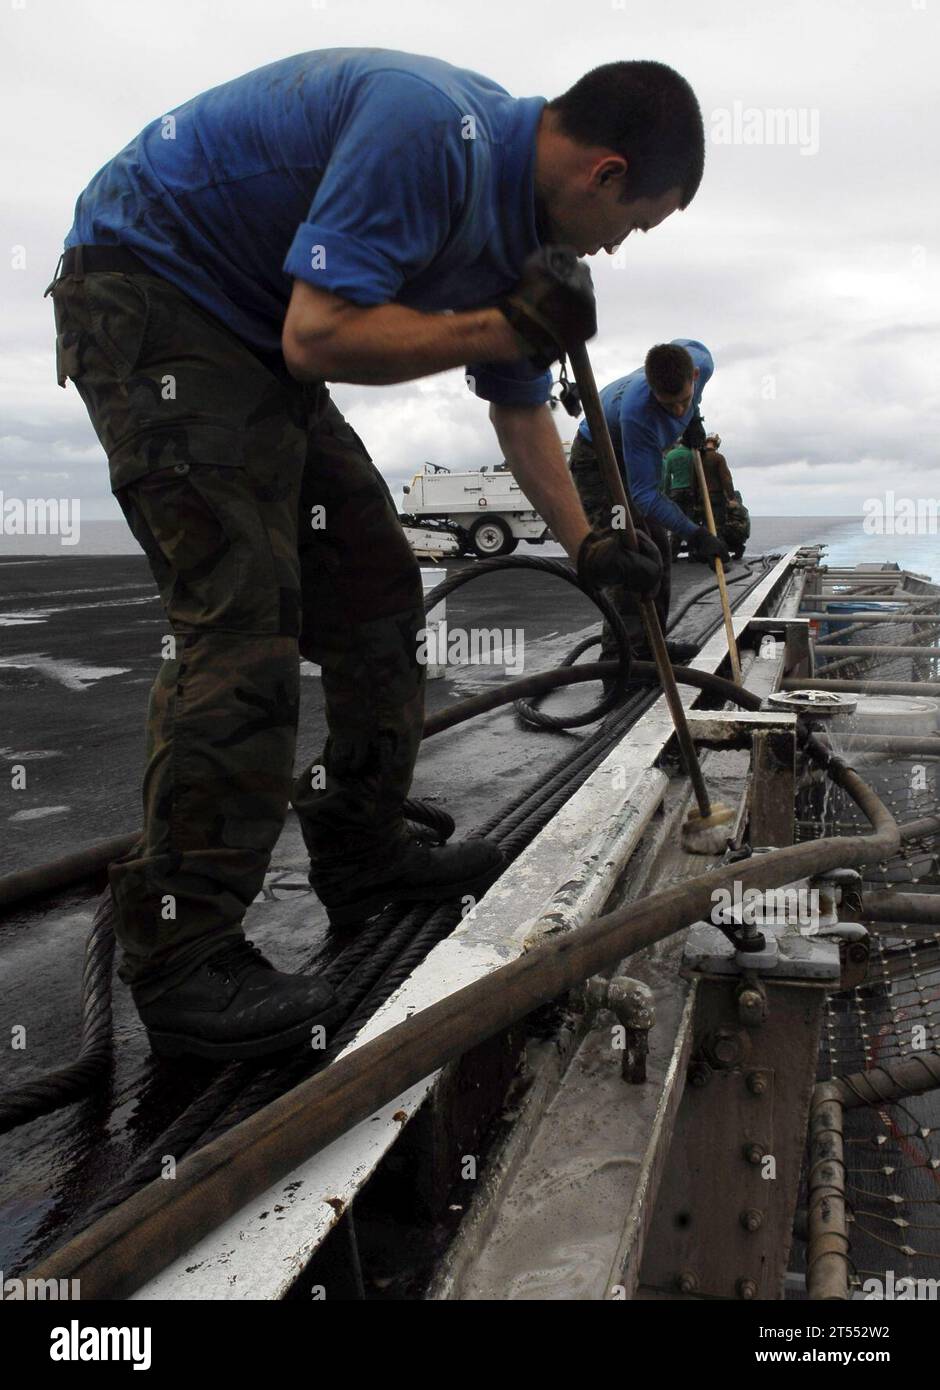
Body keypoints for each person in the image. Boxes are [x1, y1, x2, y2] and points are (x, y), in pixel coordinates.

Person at [48, 49, 704, 1060]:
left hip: (254, 339)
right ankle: (182, 956)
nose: (619, 248)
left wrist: (591, 550)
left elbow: (523, 407)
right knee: (246, 618)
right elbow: (321, 336)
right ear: (605, 174)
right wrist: (500, 321)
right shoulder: (427, 130)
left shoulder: (529, 246)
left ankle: (359, 846)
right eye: (635, 225)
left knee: (376, 589)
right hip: (153, 291)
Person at [569, 340, 729, 672]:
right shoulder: (638, 413)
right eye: (669, 405)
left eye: (685, 400)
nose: (678, 412)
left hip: (632, 459)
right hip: (598, 462)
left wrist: (695, 418)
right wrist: (695, 534)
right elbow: (644, 495)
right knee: (629, 552)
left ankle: (651, 643)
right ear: (653, 390)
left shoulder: (701, 361)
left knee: (659, 548)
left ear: (695, 376)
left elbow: (681, 349)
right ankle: (618, 658)